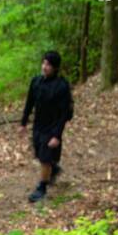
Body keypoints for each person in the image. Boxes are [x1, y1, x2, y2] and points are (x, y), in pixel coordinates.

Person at [20, 50, 73, 203]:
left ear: (55, 67)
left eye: (48, 65)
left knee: (44, 157)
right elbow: (29, 103)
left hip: (52, 127)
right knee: (39, 154)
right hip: (38, 125)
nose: (44, 67)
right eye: (44, 63)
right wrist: (24, 122)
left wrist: (57, 135)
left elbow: (64, 114)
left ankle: (41, 188)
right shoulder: (36, 82)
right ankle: (53, 169)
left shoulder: (61, 86)